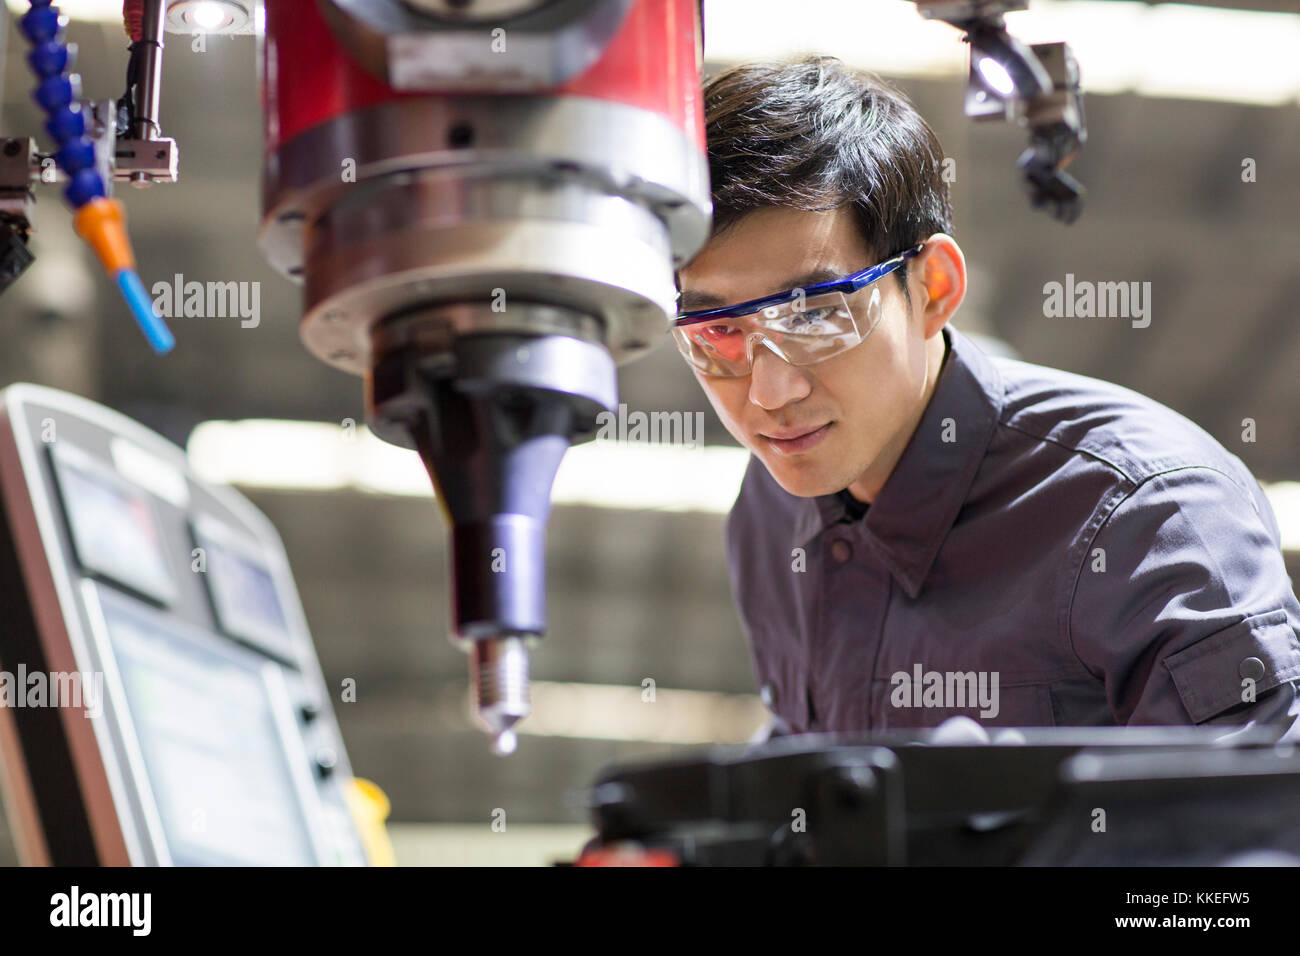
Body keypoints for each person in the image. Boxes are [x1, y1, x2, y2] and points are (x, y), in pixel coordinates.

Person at [675, 55, 1300, 740]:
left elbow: (1253, 827)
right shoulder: (770, 516)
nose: (769, 393)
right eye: (718, 331)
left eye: (817, 315)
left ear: (934, 288)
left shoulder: (1147, 515)